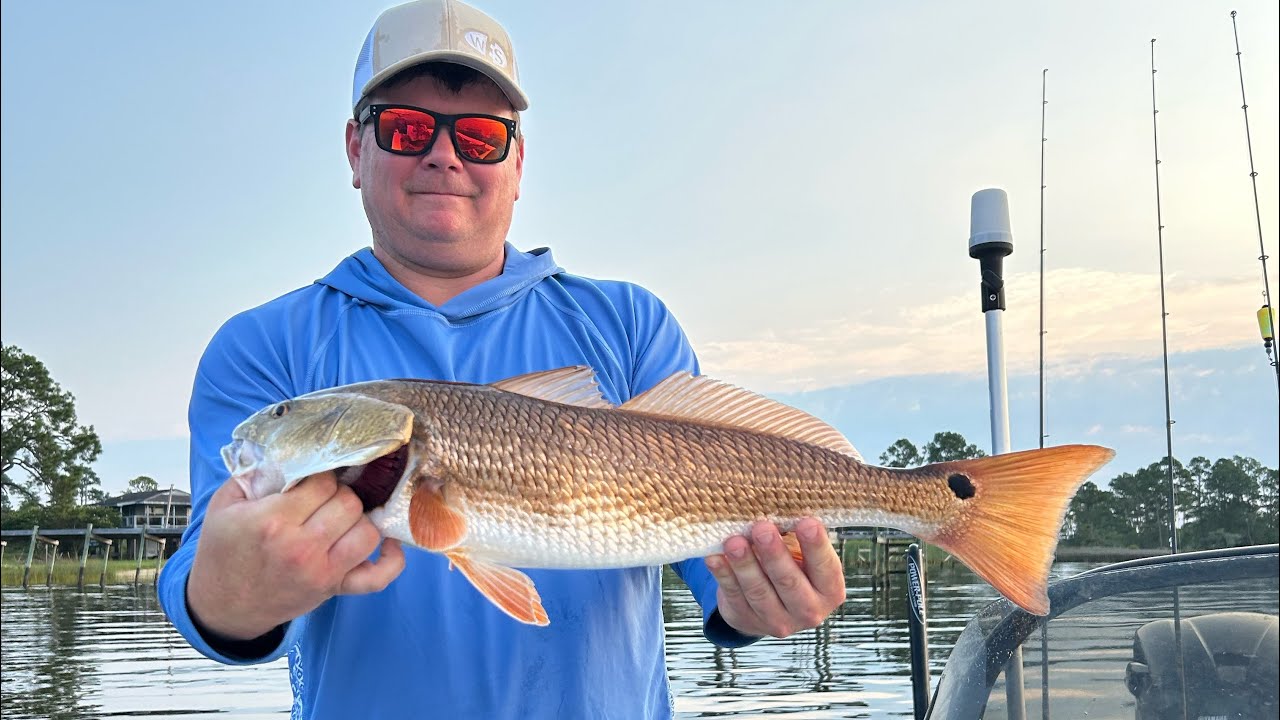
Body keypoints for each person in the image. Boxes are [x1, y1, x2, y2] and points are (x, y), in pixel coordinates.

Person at [158, 1, 847, 717]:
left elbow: (715, 564)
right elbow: (204, 576)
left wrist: (756, 599)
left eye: (481, 136)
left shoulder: (629, 324)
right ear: (355, 149)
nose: (443, 155)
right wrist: (229, 597)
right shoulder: (264, 344)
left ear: (517, 164)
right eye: (406, 128)